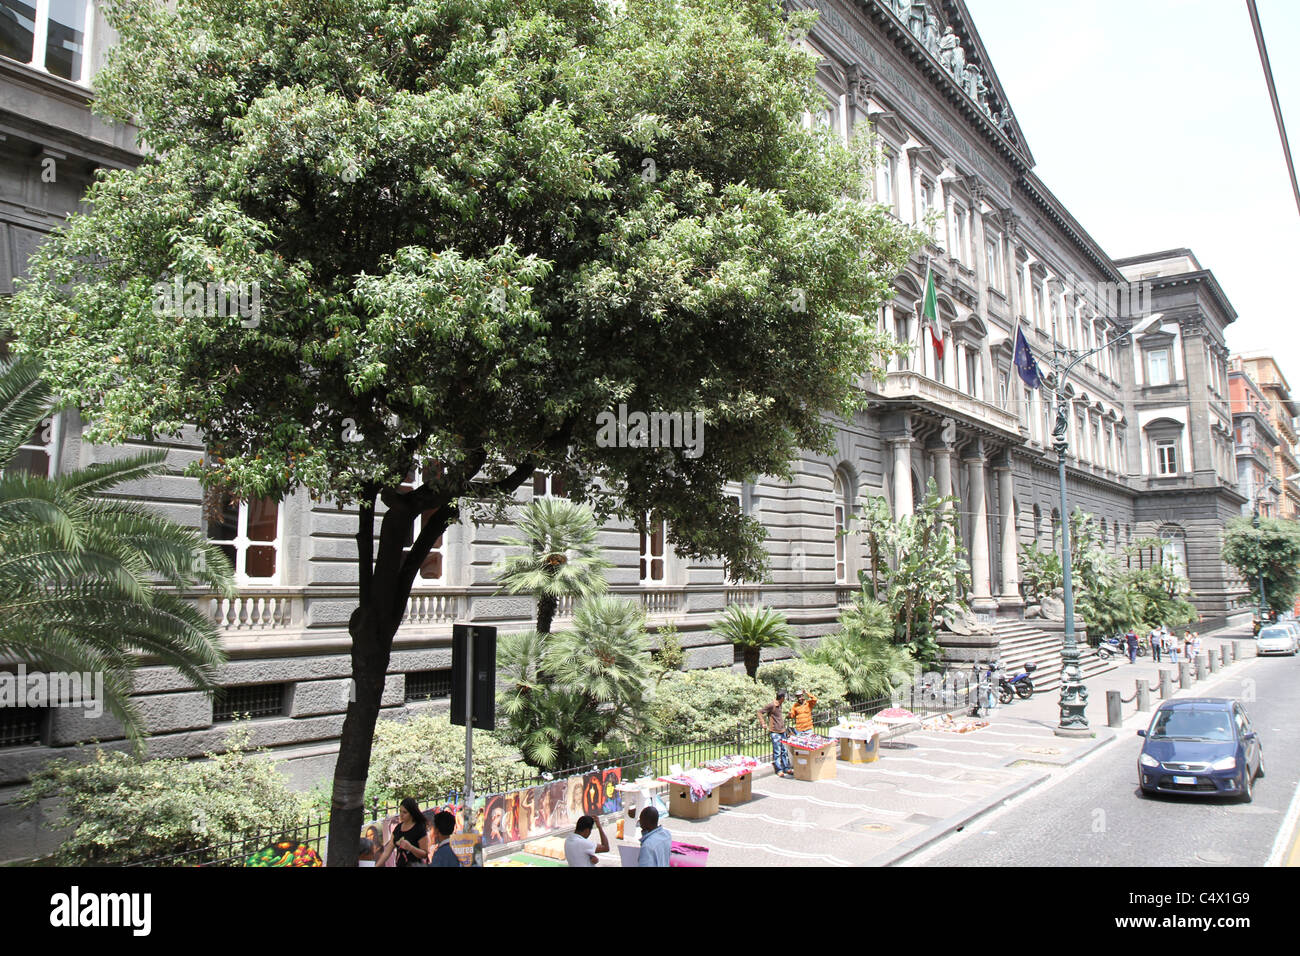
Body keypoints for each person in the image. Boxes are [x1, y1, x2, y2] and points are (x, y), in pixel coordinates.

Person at [375, 798, 430, 867]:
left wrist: (411, 848)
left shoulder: (419, 828)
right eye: (400, 811)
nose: (401, 815)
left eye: (405, 812)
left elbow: (424, 854)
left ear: (412, 813)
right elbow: (387, 852)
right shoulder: (398, 828)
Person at [759, 691, 793, 779]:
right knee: (777, 752)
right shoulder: (772, 705)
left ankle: (786, 767)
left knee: (784, 750)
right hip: (775, 732)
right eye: (784, 698)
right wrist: (763, 723)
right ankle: (779, 770)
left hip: (782, 731)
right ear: (782, 698)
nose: (784, 699)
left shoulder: (780, 705)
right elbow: (759, 712)